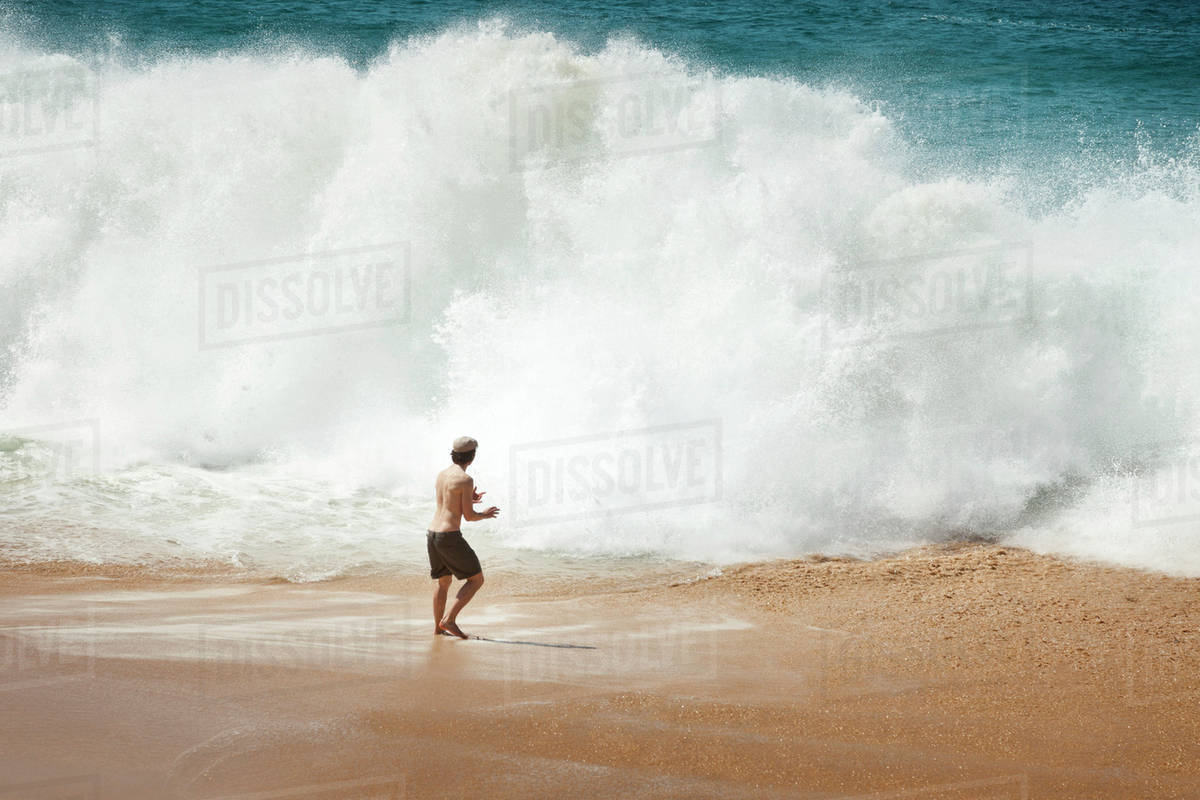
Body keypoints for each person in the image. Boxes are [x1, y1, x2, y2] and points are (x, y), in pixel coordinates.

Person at [427, 436, 499, 639]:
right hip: (449, 537)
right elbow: (468, 516)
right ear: (472, 456)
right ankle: (449, 620)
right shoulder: (466, 480)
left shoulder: (442, 475)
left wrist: (469, 499)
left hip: (432, 535)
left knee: (443, 582)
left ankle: (438, 628)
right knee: (476, 579)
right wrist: (484, 513)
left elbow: (448, 504)